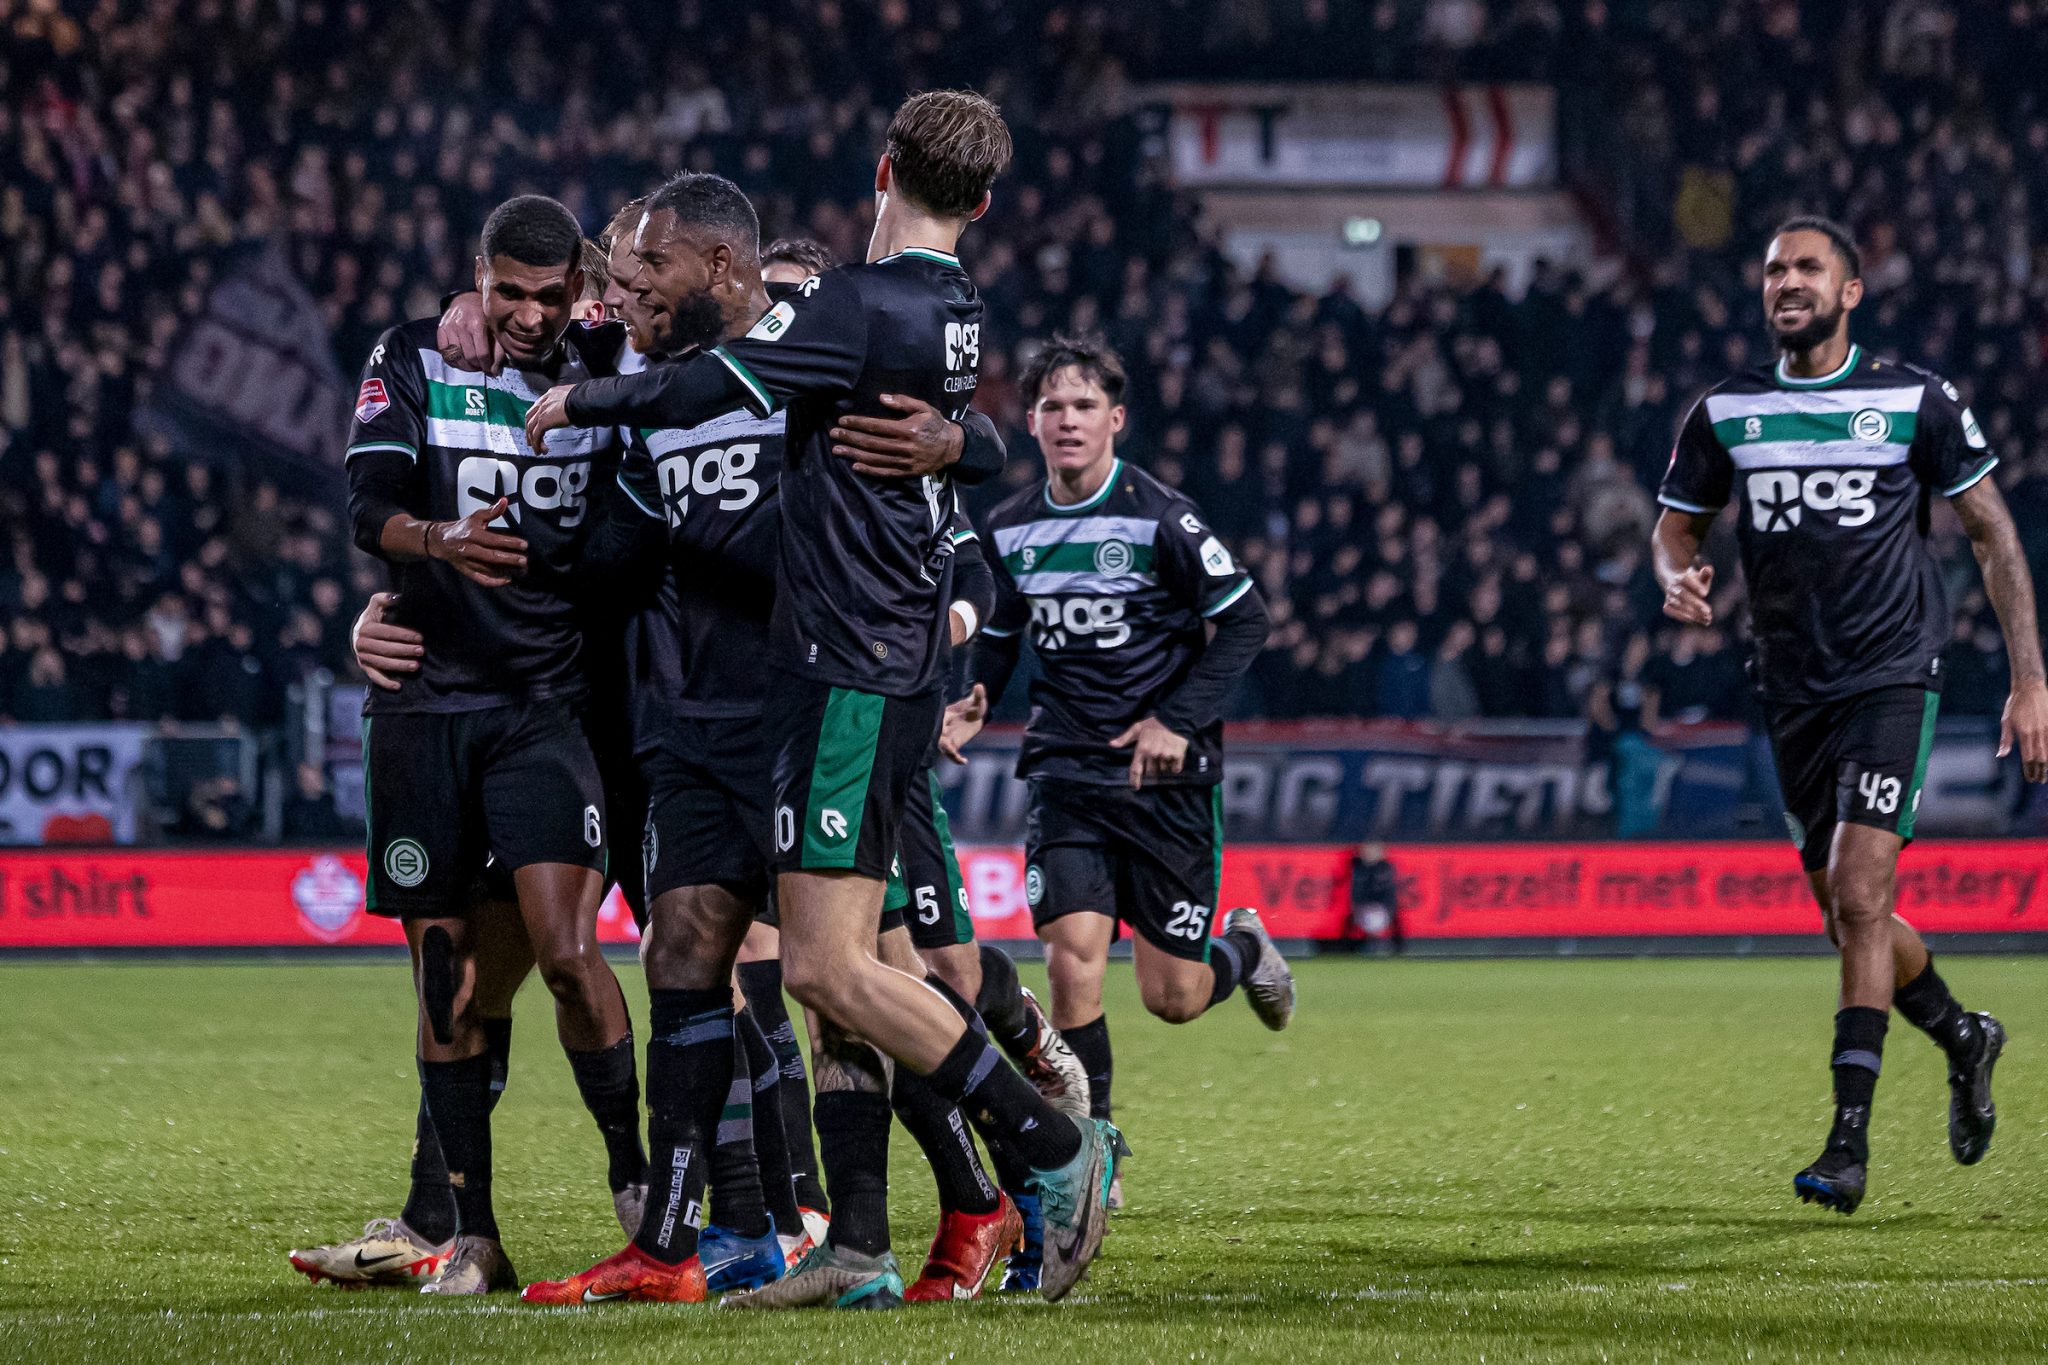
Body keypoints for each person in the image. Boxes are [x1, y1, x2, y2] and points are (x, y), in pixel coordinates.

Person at [525, 90, 1122, 1308]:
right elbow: (980, 441)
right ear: (985, 202)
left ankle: (1051, 1151)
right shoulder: (951, 307)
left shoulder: (851, 306)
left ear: (883, 166)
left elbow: (704, 390)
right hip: (863, 663)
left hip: (850, 666)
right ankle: (861, 1240)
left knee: (833, 971)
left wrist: (577, 399)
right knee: (837, 965)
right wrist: (962, 448)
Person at [1653, 216, 2047, 1216]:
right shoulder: (1723, 411)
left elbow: (1990, 534)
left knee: (1864, 893)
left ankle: (1846, 1145)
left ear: (1850, 290)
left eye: (1805, 268)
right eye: (1771, 269)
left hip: (1888, 676)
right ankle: (1961, 1035)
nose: (1784, 282)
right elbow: (1672, 527)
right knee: (1844, 913)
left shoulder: (1912, 399)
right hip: (1788, 689)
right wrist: (1677, 580)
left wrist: (2027, 678)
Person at [338, 194, 646, 1294]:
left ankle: (638, 1185)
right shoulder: (414, 354)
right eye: (503, 291)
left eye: (546, 293)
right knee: (446, 986)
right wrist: (439, 544)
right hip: (424, 709)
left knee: (567, 951)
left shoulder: (613, 361)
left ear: (581, 288)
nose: (523, 315)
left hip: (546, 708)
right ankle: (470, 1235)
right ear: (478, 279)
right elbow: (367, 503)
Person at [939, 333, 1296, 1213]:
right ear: (1030, 421)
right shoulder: (1014, 524)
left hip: (1167, 784)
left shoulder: (1162, 517)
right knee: (1072, 961)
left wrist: (1176, 720)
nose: (1068, 420)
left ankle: (1242, 948)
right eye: (1053, 405)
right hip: (1066, 770)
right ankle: (1093, 1154)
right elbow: (1002, 626)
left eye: (1085, 405)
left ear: (1116, 420)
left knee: (1172, 996)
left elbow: (1246, 620)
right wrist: (975, 692)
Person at [1347, 841, 1400, 953]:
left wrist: (1385, 908)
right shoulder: (1357, 868)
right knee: (1358, 920)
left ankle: (1385, 944)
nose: (1369, 853)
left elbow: (1388, 895)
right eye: (1366, 850)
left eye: (1372, 850)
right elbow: (1356, 893)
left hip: (1381, 908)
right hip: (1363, 908)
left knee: (1376, 918)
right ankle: (1358, 945)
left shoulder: (1385, 869)